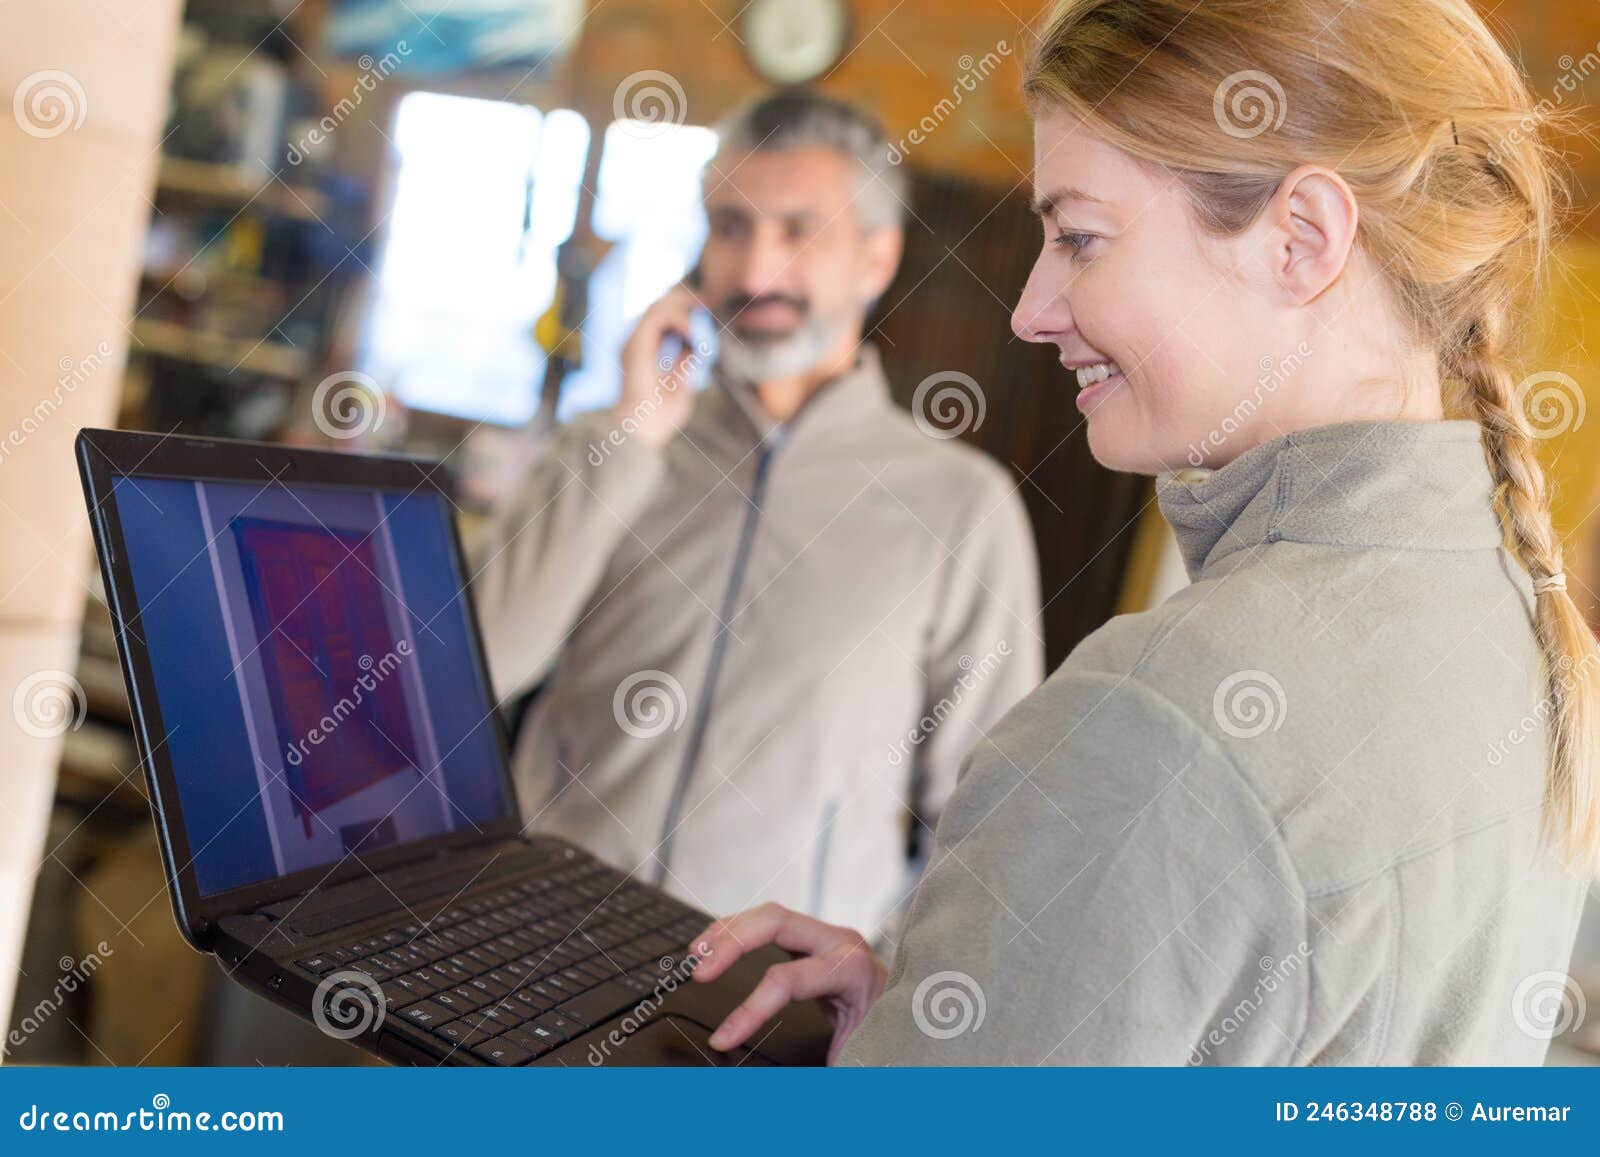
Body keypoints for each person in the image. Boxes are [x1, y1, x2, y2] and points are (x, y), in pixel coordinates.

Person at [687, 0, 1600, 1065]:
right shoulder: (1530, 636)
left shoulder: (1155, 715)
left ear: (1301, 239)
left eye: (1078, 237)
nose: (1030, 306)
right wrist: (981, 984)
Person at [470, 91, 1043, 941]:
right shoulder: (616, 444)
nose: (756, 271)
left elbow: (989, 820)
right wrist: (631, 443)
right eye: (730, 226)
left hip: (769, 1009)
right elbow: (477, 668)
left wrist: (880, 987)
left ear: (876, 260)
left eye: (799, 230)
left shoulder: (960, 505)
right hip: (537, 946)